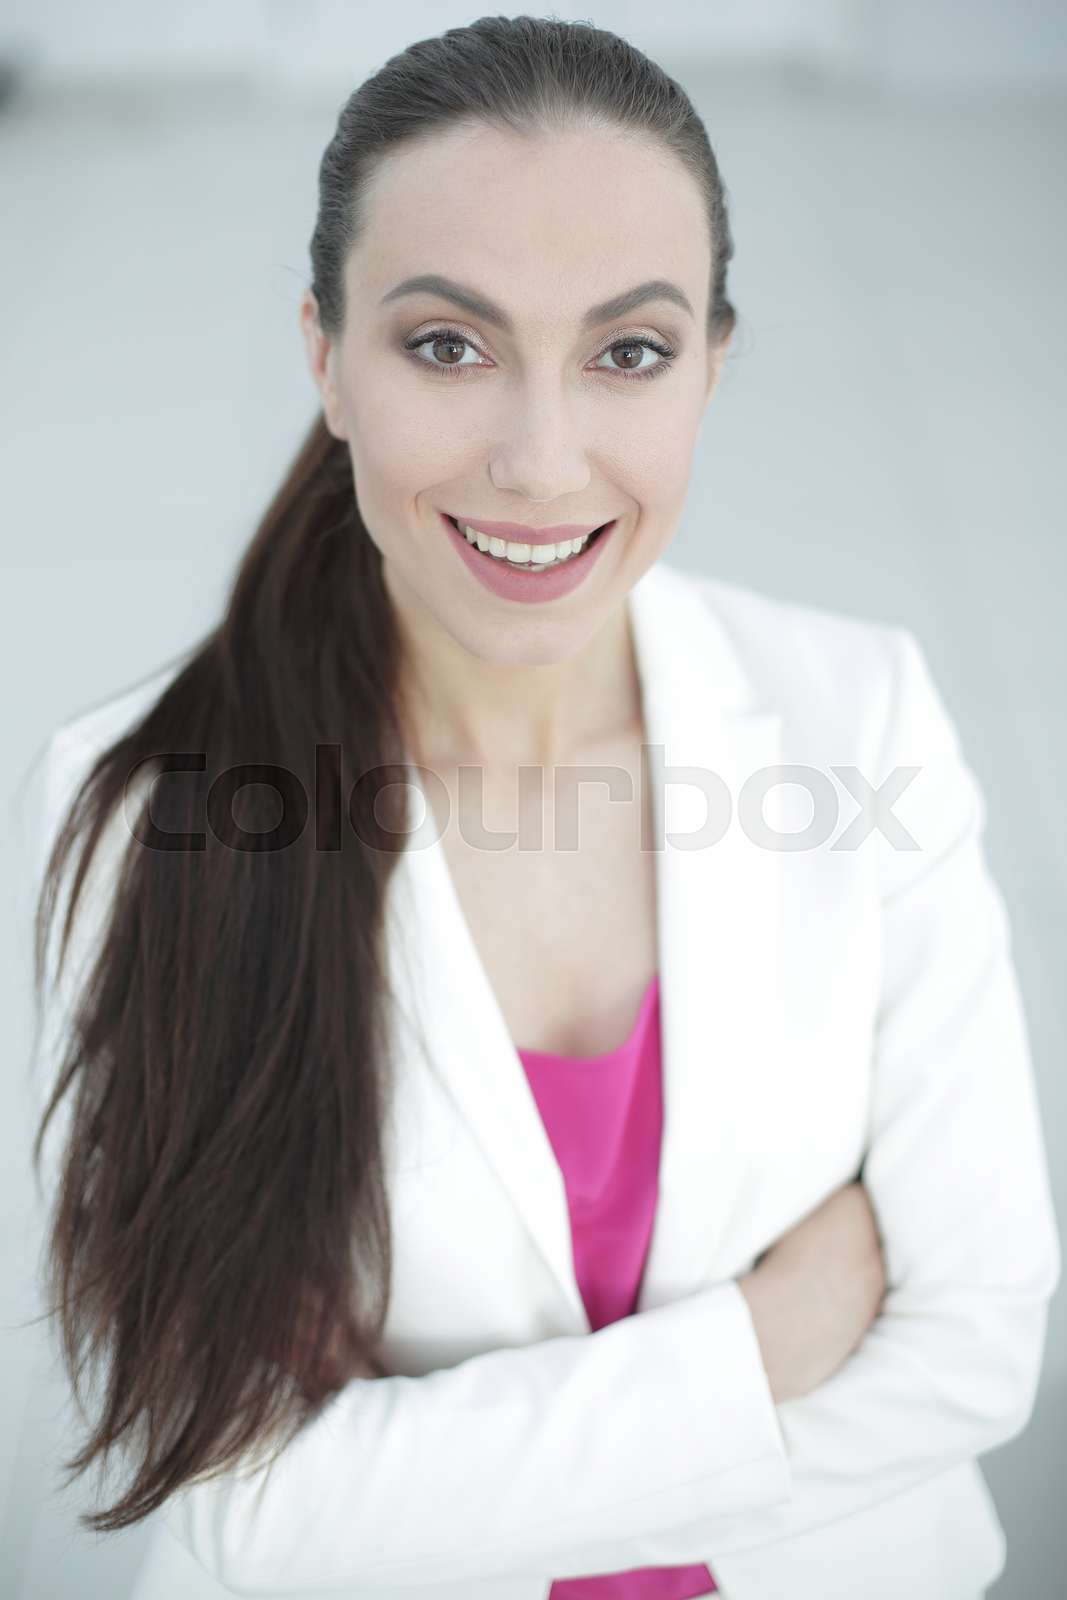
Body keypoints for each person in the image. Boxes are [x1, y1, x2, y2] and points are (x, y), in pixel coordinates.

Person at [28, 16, 1059, 1600]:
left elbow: (978, 1352)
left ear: (713, 364)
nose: (538, 456)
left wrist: (408, 1475)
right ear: (326, 359)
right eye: (447, 344)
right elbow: (231, 1493)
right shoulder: (144, 801)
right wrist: (755, 1356)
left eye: (628, 354)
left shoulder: (861, 717)